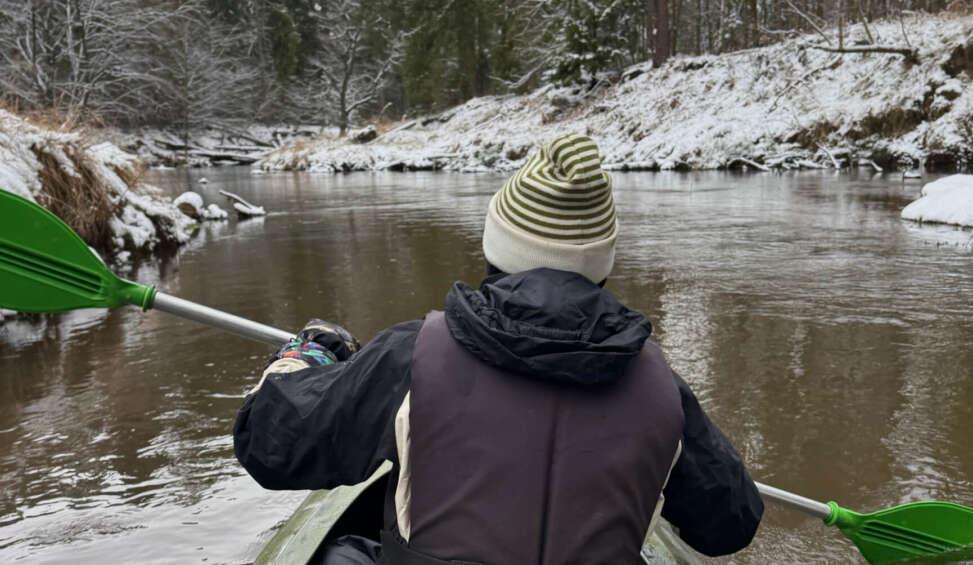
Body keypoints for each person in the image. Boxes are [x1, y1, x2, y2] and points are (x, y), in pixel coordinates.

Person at [234, 134, 763, 565]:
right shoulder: (662, 390)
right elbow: (730, 525)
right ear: (602, 265)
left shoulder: (410, 357)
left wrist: (309, 354)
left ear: (497, 244)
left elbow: (268, 444)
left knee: (347, 552)